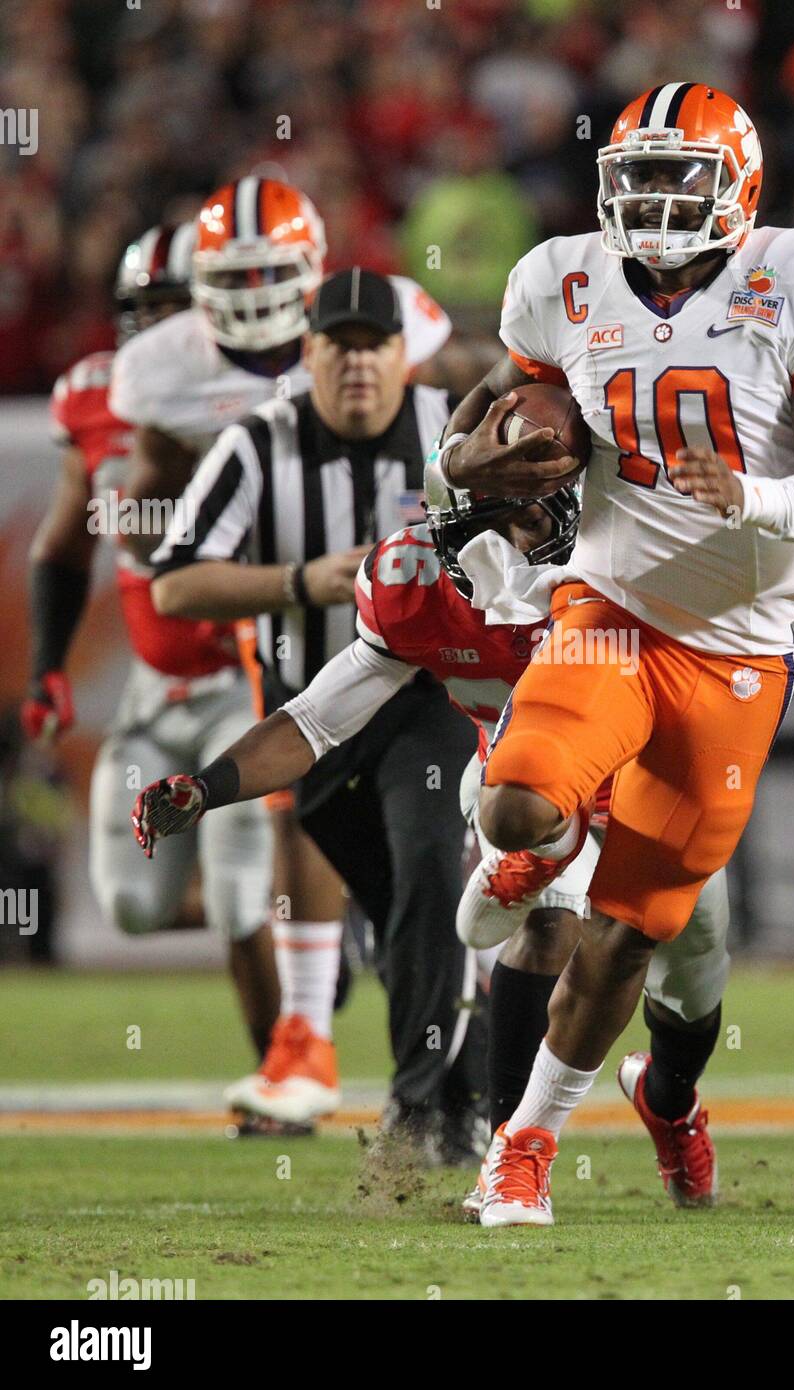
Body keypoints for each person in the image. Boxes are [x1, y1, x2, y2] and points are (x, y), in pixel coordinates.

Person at [431, 81, 794, 1225]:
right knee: (517, 806)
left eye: (678, 179)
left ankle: (534, 1135)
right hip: (610, 612)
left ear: (737, 183)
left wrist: (756, 496)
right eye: (634, 179)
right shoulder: (561, 280)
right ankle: (545, 853)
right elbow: (482, 426)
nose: (651, 202)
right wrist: (468, 472)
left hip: (735, 651)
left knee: (631, 935)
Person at [131, 451, 733, 1218]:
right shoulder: (413, 587)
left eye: (534, 511)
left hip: (651, 781)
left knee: (692, 981)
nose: (518, 536)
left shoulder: (626, 567)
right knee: (548, 920)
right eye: (497, 516)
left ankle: (669, 1099)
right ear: (449, 530)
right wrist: (208, 786)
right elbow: (315, 719)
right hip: (518, 779)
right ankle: (508, 1149)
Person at [109, 177, 453, 1136]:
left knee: (433, 866)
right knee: (303, 827)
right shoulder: (211, 408)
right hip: (288, 650)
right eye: (238, 275)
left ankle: (435, 1082)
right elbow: (155, 541)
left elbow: (472, 412)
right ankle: (321, 1027)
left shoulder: (428, 397)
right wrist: (278, 572)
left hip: (419, 672)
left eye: (369, 348)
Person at [22, 222, 279, 1068]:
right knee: (131, 905)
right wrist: (46, 670)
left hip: (248, 678)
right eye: (148, 311)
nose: (163, 331)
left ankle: (284, 1073)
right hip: (154, 686)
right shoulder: (93, 396)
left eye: (179, 310)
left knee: (243, 900)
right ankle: (315, 922)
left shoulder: (267, 391)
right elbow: (62, 549)